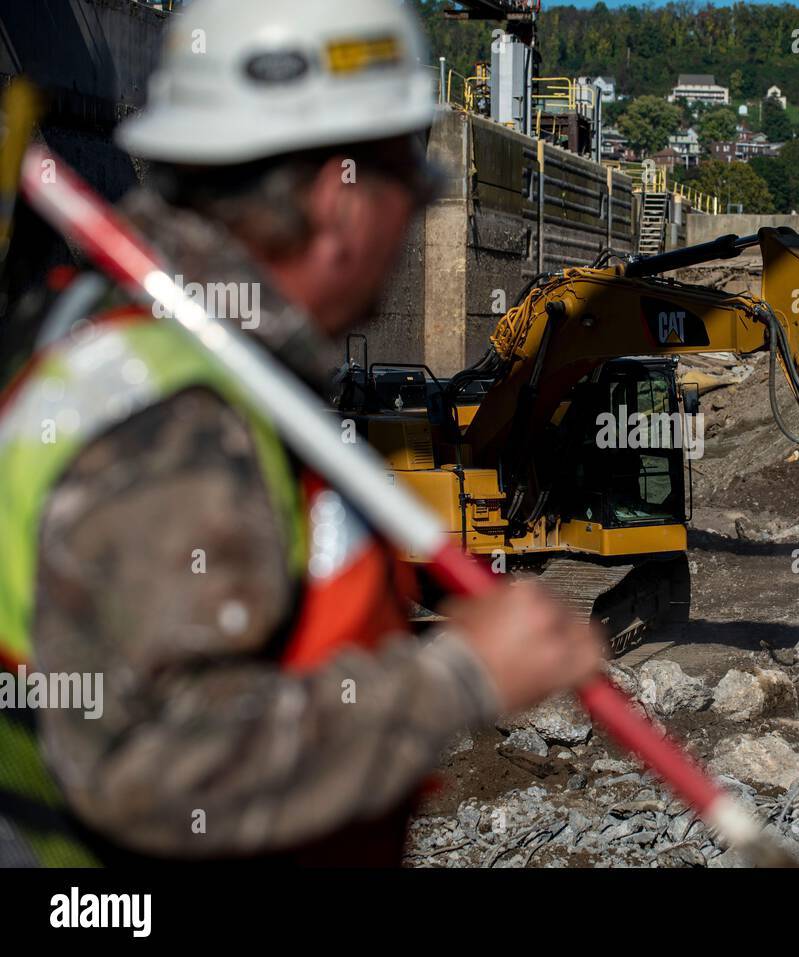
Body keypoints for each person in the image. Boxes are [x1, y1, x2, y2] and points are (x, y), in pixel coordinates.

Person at [0, 0, 603, 866]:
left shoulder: (121, 334)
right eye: (413, 191)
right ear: (340, 197)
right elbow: (149, 761)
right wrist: (455, 680)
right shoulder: (183, 416)